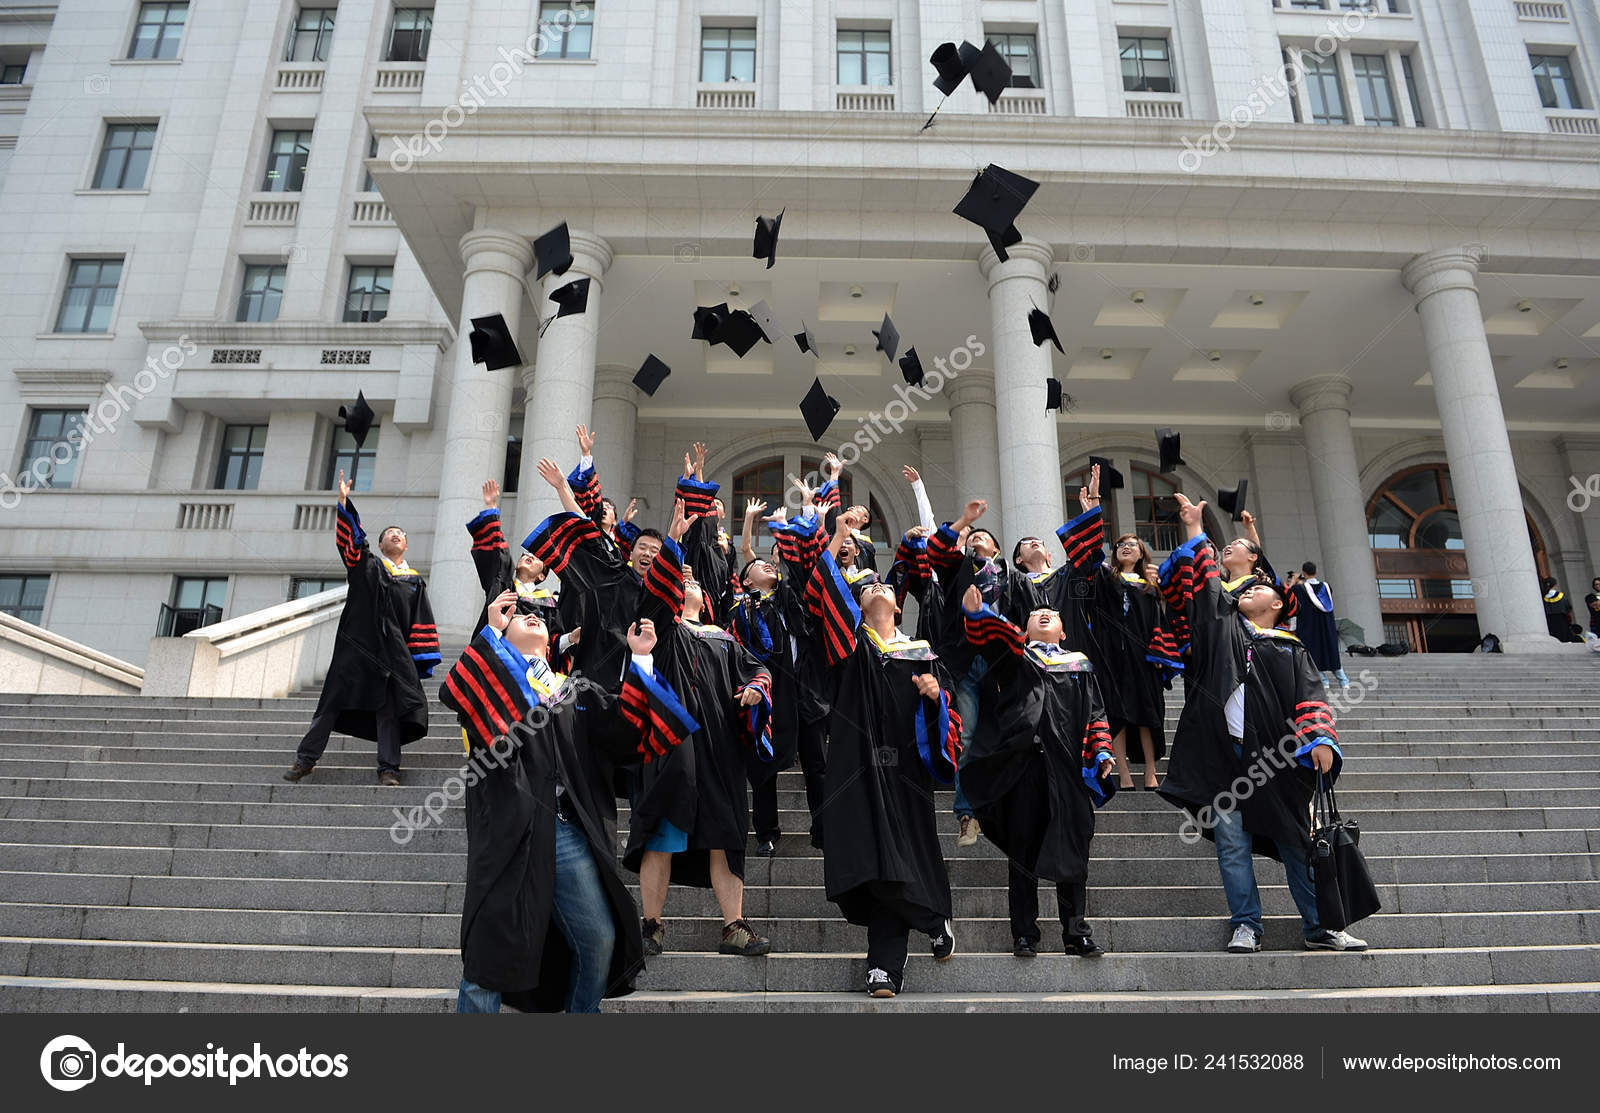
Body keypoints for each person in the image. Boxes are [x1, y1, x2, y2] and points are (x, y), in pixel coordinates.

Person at [442, 594, 695, 1012]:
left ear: (551, 643)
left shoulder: (571, 689)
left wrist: (642, 660)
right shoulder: (493, 675)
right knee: (492, 942)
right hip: (510, 826)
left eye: (538, 617)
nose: (531, 617)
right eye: (521, 617)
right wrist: (490, 631)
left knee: (598, 938)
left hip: (564, 829)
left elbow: (625, 728)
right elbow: (458, 691)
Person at [1157, 492, 1366, 954]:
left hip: (1277, 759)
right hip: (1225, 758)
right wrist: (1195, 528)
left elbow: (1311, 698)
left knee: (1296, 844)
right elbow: (1209, 590)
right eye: (1245, 589)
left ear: (1277, 604)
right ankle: (1246, 924)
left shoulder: (1291, 647)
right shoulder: (1220, 629)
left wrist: (1321, 740)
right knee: (1231, 847)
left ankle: (1320, 926)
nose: (1248, 591)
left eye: (1258, 589)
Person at [806, 506, 960, 998]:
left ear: (898, 607)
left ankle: (885, 966)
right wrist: (838, 534)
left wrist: (937, 699)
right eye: (868, 587)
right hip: (853, 766)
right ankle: (931, 917)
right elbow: (822, 587)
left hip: (904, 769)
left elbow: (947, 721)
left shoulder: (922, 652)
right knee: (866, 855)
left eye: (885, 589)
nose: (876, 588)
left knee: (899, 853)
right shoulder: (851, 642)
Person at [621, 513, 775, 959]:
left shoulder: (723, 639)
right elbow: (653, 595)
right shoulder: (662, 630)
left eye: (692, 581)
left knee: (726, 835)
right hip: (672, 744)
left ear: (706, 600)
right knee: (663, 832)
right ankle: (651, 926)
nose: (685, 580)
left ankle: (735, 926)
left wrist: (753, 689)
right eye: (678, 579)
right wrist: (671, 541)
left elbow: (760, 669)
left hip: (721, 746)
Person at [960, 584, 1116, 959]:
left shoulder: (1079, 665)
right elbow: (994, 643)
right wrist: (978, 615)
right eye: (1034, 613)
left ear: (1063, 631)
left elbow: (1095, 713)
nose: (1044, 612)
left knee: (1074, 849)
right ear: (1024, 629)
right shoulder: (1017, 659)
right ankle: (1025, 933)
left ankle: (1076, 932)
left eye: (1052, 613)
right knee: (1023, 852)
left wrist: (1102, 751)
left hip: (1068, 768)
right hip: (1023, 767)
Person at [283, 470, 438, 787]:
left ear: (405, 545)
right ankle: (306, 760)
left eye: (400, 533)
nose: (395, 534)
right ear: (381, 544)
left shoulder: (414, 582)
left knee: (389, 710)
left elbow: (420, 620)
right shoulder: (366, 566)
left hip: (393, 654)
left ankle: (388, 768)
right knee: (331, 704)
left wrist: (416, 659)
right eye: (389, 533)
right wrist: (343, 501)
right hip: (358, 648)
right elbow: (351, 544)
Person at [733, 471, 832, 855]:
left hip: (804, 686)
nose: (767, 567)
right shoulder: (744, 608)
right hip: (770, 687)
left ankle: (823, 829)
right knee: (765, 766)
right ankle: (767, 833)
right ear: (746, 580)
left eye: (770, 565)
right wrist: (749, 521)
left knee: (816, 762)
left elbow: (809, 562)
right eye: (759, 566)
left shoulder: (790, 593)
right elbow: (745, 553)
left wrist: (811, 511)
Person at [466, 478, 571, 658]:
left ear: (542, 577)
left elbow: (553, 643)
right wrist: (492, 509)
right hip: (499, 662)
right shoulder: (503, 588)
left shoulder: (549, 603)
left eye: (537, 557)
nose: (529, 555)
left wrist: (571, 638)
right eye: (526, 554)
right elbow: (499, 557)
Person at [1285, 562, 1350, 688]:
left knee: (1312, 652)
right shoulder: (1326, 587)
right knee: (1331, 650)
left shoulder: (1300, 589)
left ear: (1304, 573)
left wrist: (1293, 580)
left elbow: (1288, 594)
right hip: (1326, 627)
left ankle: (1324, 681)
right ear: (1316, 572)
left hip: (1309, 627)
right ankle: (1343, 681)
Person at [1543, 577, 1574, 642]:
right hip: (1561, 619)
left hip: (1549, 620)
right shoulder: (1561, 596)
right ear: (1555, 585)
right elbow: (1568, 607)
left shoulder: (1543, 597)